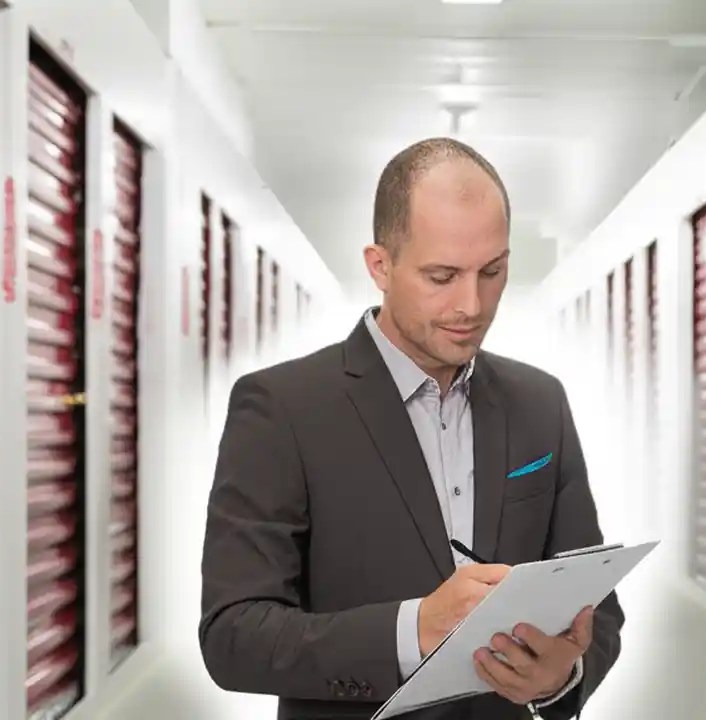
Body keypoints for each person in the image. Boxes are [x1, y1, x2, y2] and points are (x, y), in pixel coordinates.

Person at [198, 137, 623, 719]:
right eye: (442, 275)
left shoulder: (540, 403)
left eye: (492, 271)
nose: (471, 304)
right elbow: (233, 636)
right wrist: (414, 630)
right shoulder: (282, 408)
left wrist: (559, 677)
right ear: (380, 265)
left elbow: (596, 604)